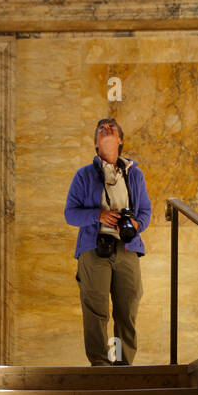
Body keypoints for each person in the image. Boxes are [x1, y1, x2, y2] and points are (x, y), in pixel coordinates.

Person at [64, 117, 152, 366]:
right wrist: (98, 215)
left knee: (128, 308)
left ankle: (123, 366)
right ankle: (100, 365)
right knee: (96, 309)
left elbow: (145, 211)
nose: (106, 127)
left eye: (112, 127)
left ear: (120, 140)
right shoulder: (83, 175)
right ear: (96, 144)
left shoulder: (135, 175)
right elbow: (70, 213)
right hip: (94, 249)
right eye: (101, 128)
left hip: (127, 248)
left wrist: (134, 225)